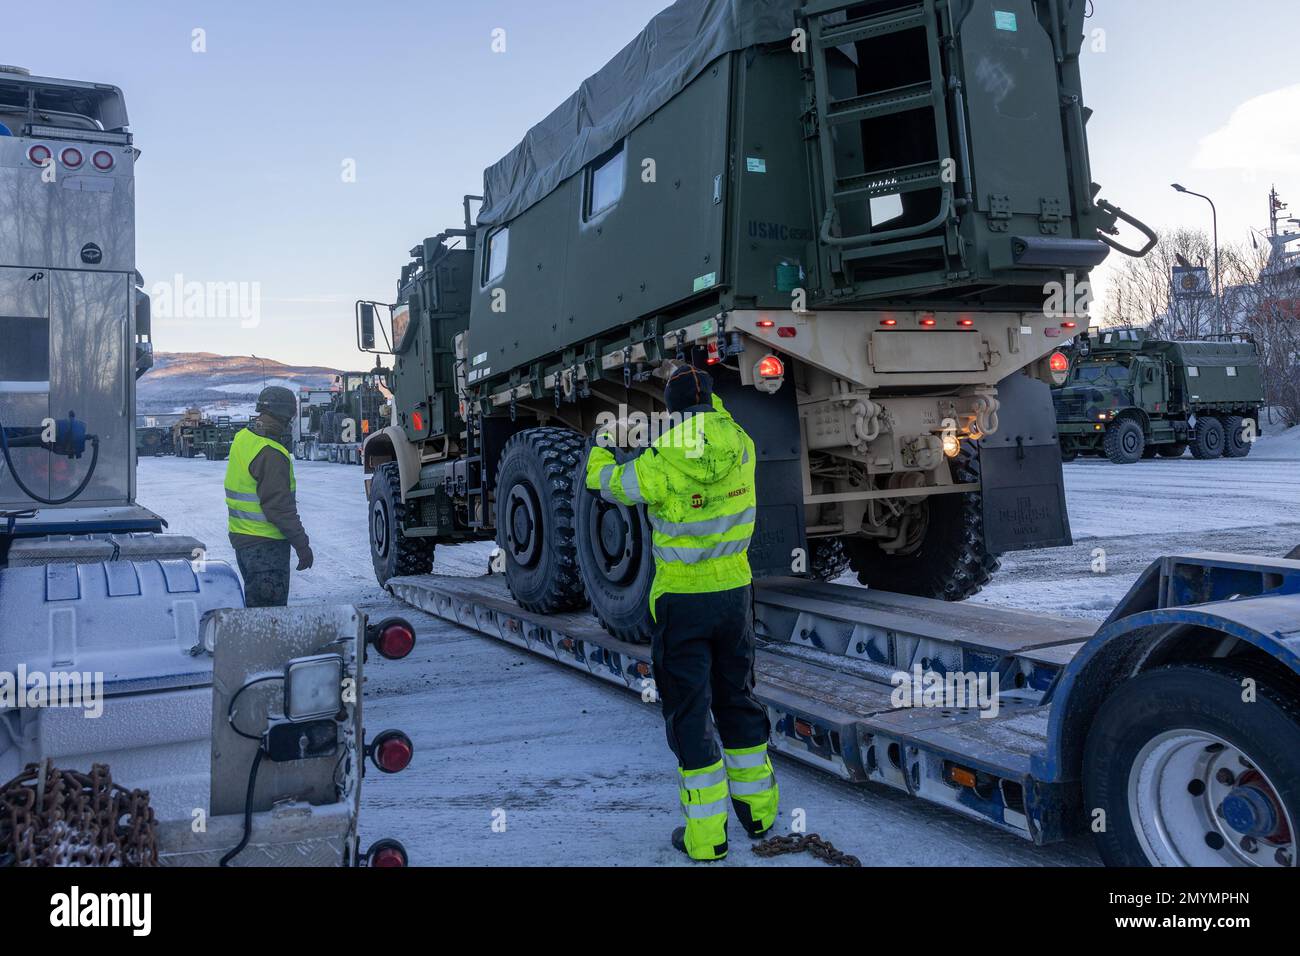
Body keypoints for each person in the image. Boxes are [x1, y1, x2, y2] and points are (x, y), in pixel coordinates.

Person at [585, 365, 778, 862]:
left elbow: (608, 486)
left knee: (690, 713)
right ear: (710, 400)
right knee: (737, 698)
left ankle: (707, 838)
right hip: (735, 594)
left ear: (671, 408)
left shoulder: (663, 457)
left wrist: (604, 444)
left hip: (682, 603)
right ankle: (760, 813)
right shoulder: (741, 443)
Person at [225, 386, 313, 607]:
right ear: (285, 415)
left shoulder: (243, 438)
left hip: (244, 541)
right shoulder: (270, 453)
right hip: (267, 547)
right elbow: (279, 508)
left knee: (256, 611)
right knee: (268, 619)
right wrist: (302, 545)